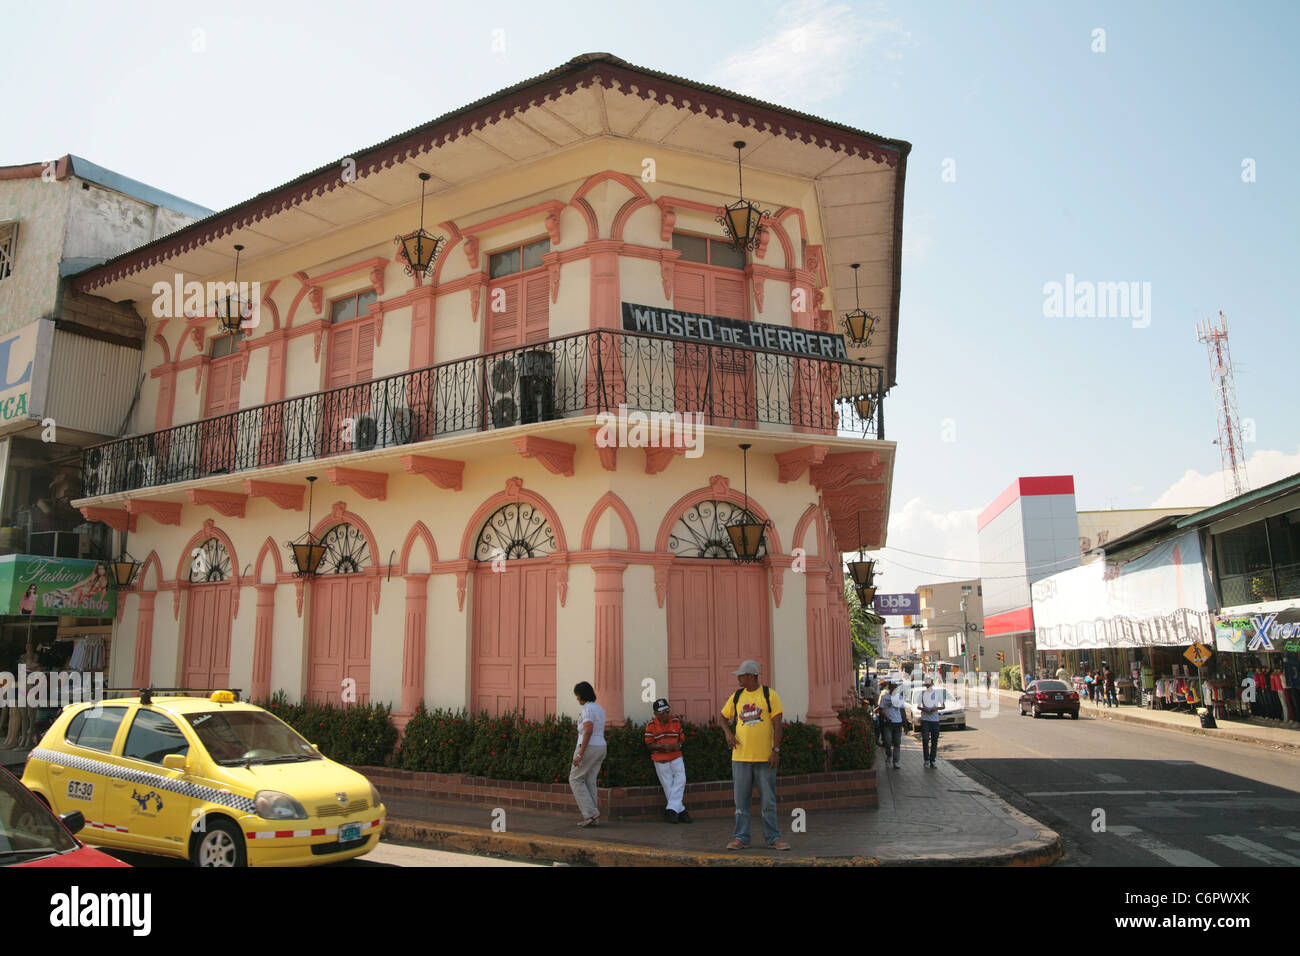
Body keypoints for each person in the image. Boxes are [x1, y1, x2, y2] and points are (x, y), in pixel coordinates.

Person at [721, 660, 789, 851]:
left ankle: (773, 837)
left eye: (742, 676)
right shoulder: (736, 696)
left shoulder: (769, 695)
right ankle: (741, 837)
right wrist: (728, 733)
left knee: (768, 801)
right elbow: (723, 717)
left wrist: (775, 750)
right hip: (740, 758)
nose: (739, 679)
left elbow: (777, 724)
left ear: (751, 676)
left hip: (764, 758)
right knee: (741, 802)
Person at [644, 698, 690, 823]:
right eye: (662, 712)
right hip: (660, 759)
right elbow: (649, 744)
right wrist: (661, 747)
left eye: (667, 711)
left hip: (676, 756)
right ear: (656, 714)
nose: (666, 714)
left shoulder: (675, 721)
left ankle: (672, 810)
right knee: (668, 786)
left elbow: (682, 738)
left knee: (681, 780)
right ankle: (680, 811)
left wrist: (678, 745)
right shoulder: (651, 725)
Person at [569, 681, 606, 827]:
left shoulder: (587, 709)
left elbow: (588, 730)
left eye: (577, 695)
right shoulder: (599, 708)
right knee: (590, 780)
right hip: (601, 746)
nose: (577, 698)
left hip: (589, 747)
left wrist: (580, 754)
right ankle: (593, 817)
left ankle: (591, 813)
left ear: (581, 695)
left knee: (575, 779)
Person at [879, 680, 905, 770]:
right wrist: (885, 717)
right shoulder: (885, 697)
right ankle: (888, 753)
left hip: (898, 723)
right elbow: (880, 710)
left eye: (895, 687)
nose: (893, 688)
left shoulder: (900, 698)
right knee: (888, 741)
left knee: (897, 743)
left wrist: (905, 724)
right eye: (892, 687)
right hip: (888, 723)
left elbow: (902, 711)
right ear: (889, 688)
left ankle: (896, 761)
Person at [919, 677, 943, 768]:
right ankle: (926, 760)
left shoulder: (937, 694)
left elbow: (943, 706)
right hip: (925, 720)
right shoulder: (922, 694)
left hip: (935, 720)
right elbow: (918, 706)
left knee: (934, 740)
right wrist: (924, 709)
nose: (928, 686)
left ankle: (933, 760)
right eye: (927, 684)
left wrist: (936, 708)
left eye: (930, 684)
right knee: (925, 739)